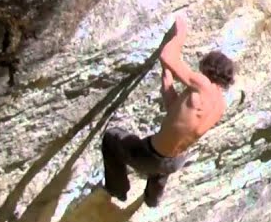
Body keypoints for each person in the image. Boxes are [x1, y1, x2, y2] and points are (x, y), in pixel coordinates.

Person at [101, 15, 235, 207]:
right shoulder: (219, 104)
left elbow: (167, 57)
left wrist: (180, 33)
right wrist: (167, 76)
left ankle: (117, 190)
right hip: (175, 162)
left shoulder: (203, 84)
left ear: (208, 68)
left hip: (150, 156)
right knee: (161, 168)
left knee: (111, 138)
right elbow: (175, 113)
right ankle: (152, 200)